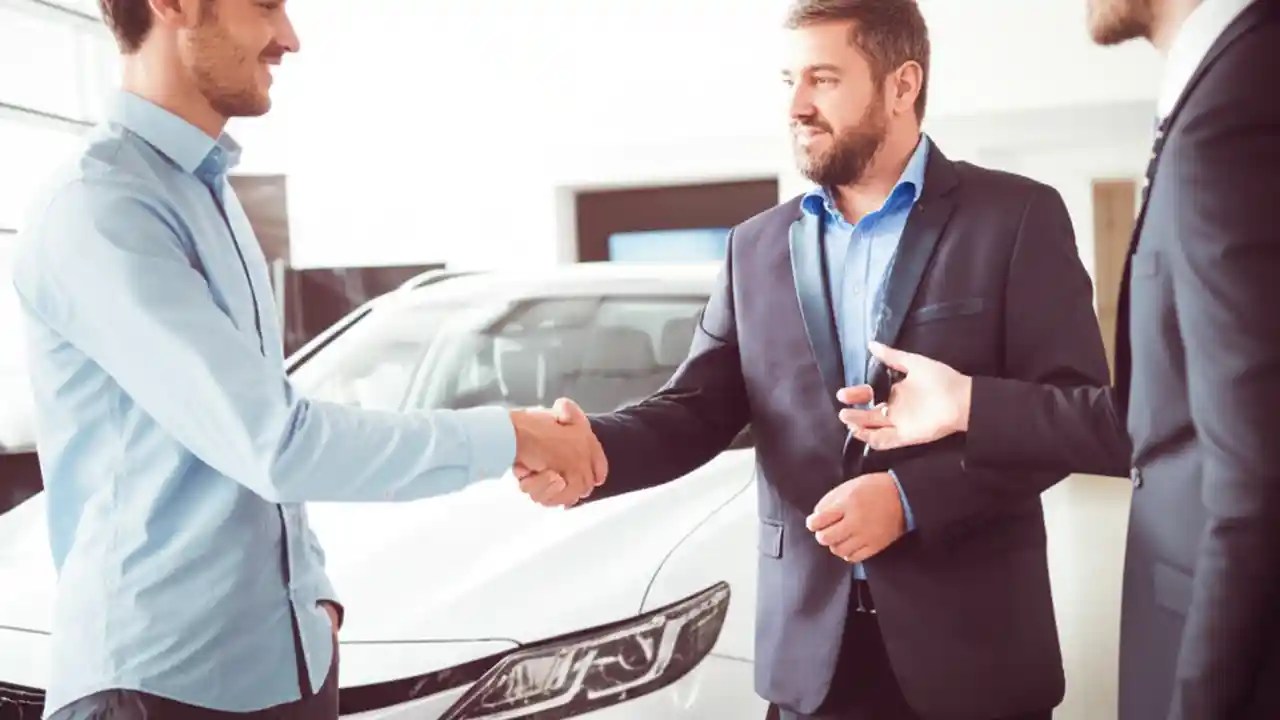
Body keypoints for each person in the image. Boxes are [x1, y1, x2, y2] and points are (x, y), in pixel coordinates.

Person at [12, 1, 603, 718]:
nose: (289, 37)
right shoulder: (103, 206)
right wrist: (514, 434)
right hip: (158, 687)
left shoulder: (205, 192)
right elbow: (277, 442)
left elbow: (252, 446)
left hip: (285, 670)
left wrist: (312, 600)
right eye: (265, 4)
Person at [524, 1, 1113, 717]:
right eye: (788, 80)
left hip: (974, 661)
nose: (796, 105)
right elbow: (698, 410)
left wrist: (910, 500)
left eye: (823, 79)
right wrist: (592, 448)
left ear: (902, 85)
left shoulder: (1015, 218)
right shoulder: (755, 247)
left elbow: (1073, 415)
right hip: (810, 665)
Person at [837, 2, 1280, 716]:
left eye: (822, 77)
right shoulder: (1226, 88)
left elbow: (1255, 468)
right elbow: (1163, 414)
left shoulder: (1240, 106)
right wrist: (965, 403)